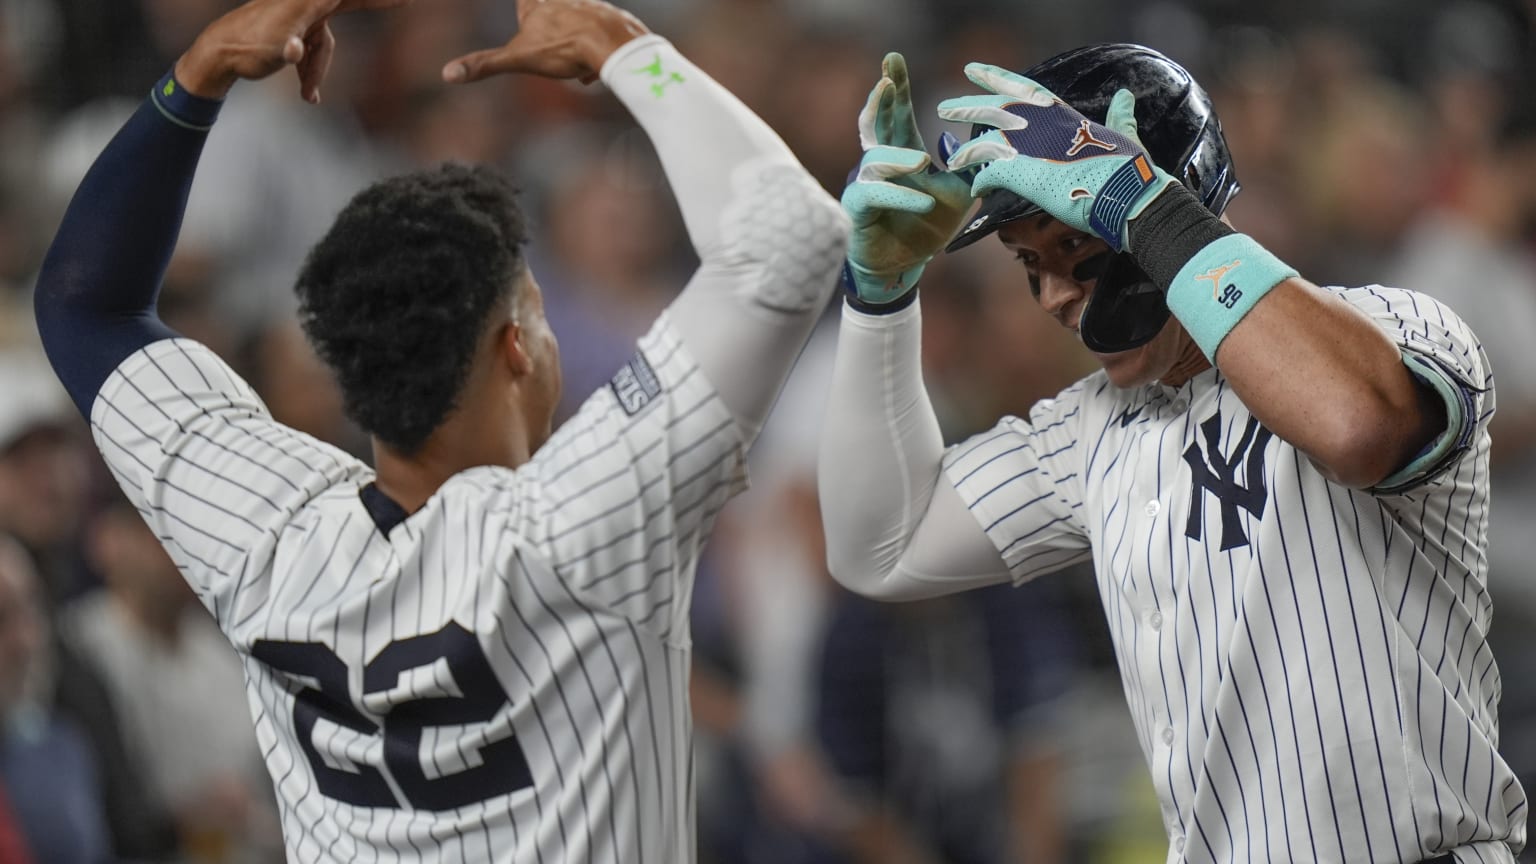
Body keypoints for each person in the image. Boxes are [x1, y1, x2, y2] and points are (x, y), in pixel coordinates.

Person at [32, 0, 848, 862]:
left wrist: (197, 75)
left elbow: (84, 306)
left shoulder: (266, 530)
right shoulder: (586, 518)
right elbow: (794, 232)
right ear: (515, 349)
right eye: (536, 312)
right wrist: (623, 46)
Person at [819, 45, 1527, 863]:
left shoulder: (1395, 324)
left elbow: (1357, 426)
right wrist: (879, 302)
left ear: (1167, 200)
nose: (1051, 297)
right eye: (1028, 265)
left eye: (1074, 249)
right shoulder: (1089, 427)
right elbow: (881, 546)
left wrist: (1145, 210)